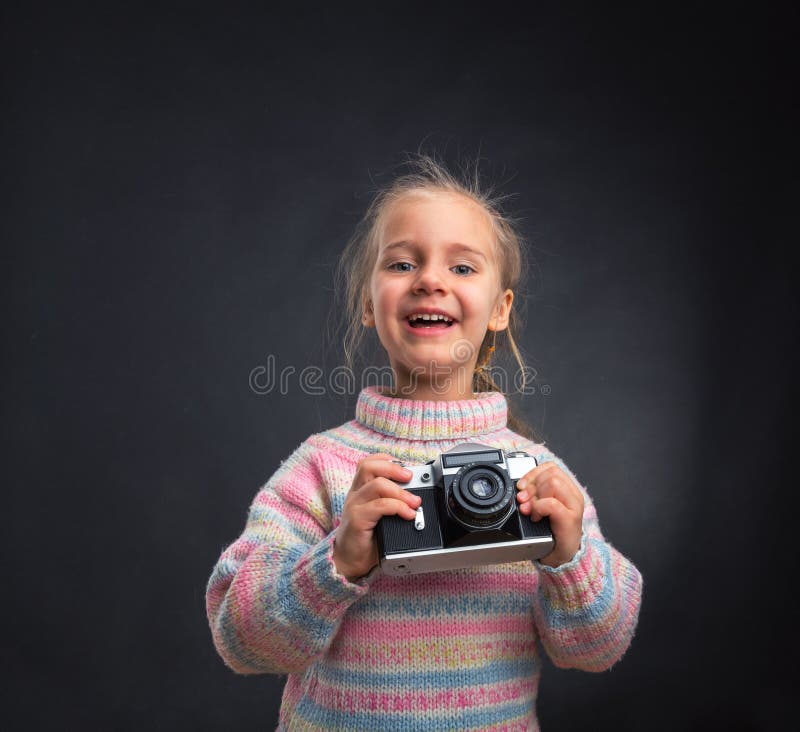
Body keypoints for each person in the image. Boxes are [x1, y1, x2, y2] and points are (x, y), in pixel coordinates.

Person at [205, 153, 643, 731]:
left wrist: (570, 559)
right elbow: (239, 640)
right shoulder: (326, 468)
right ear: (367, 303)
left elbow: (598, 648)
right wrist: (338, 559)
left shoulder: (535, 475)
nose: (430, 280)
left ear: (500, 310)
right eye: (403, 263)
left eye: (463, 268)